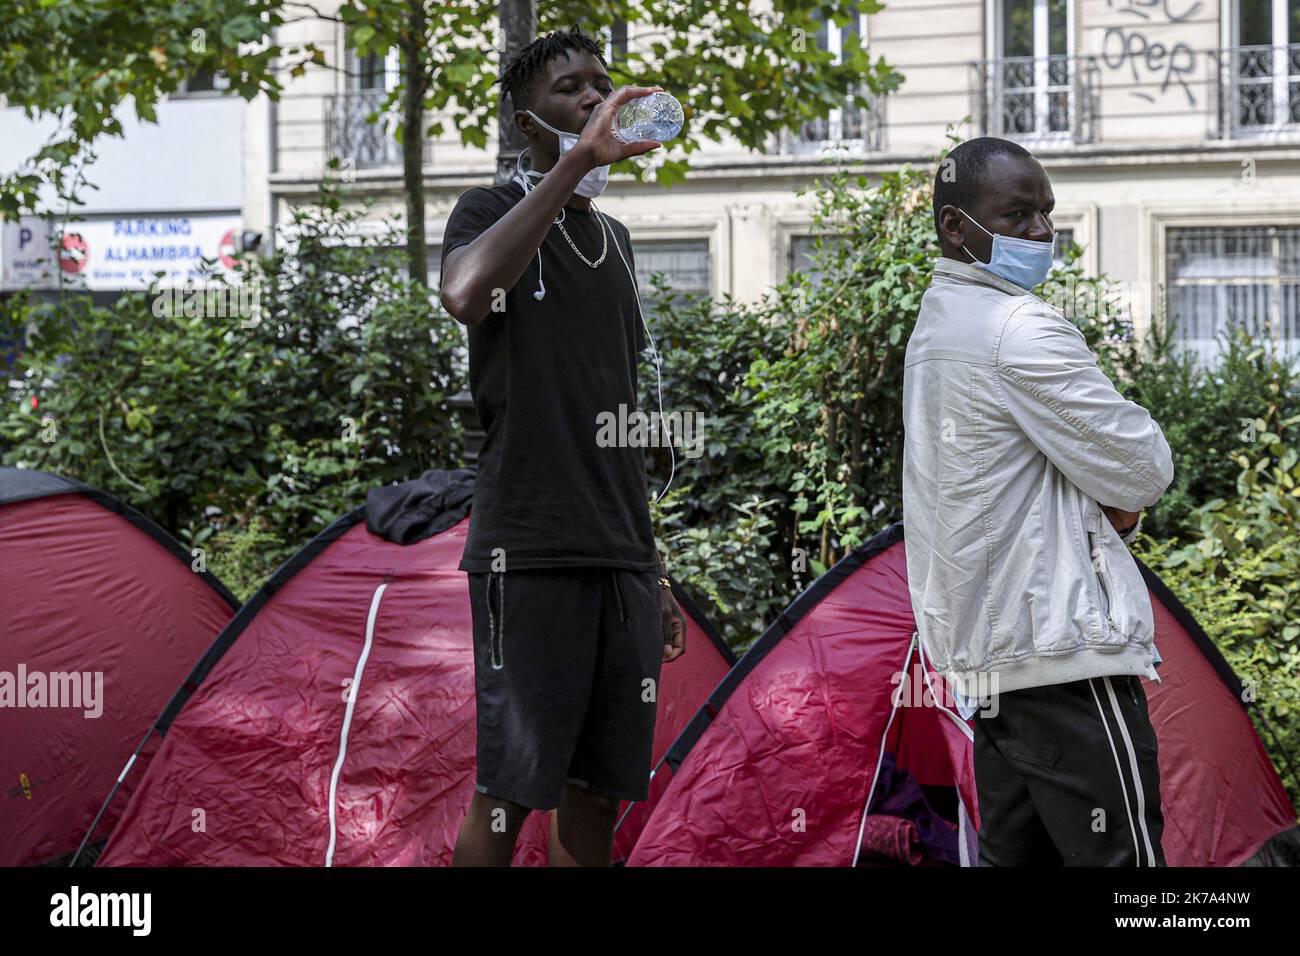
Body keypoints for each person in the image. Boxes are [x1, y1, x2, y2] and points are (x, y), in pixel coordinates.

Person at [438, 27, 687, 867]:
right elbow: (468, 293)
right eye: (568, 89)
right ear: (523, 121)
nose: (592, 99)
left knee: (596, 790)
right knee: (513, 788)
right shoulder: (487, 212)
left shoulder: (613, 242)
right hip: (529, 548)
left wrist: (650, 567)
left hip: (618, 551)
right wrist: (574, 164)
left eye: (599, 85)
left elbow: (619, 416)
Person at [901, 136, 1176, 866]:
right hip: (1063, 656)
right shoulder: (1017, 328)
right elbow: (1143, 467)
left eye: (1046, 213)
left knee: (1015, 856)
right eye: (1017, 215)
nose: (1041, 233)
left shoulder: (938, 325)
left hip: (989, 659)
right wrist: (1112, 496)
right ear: (956, 226)